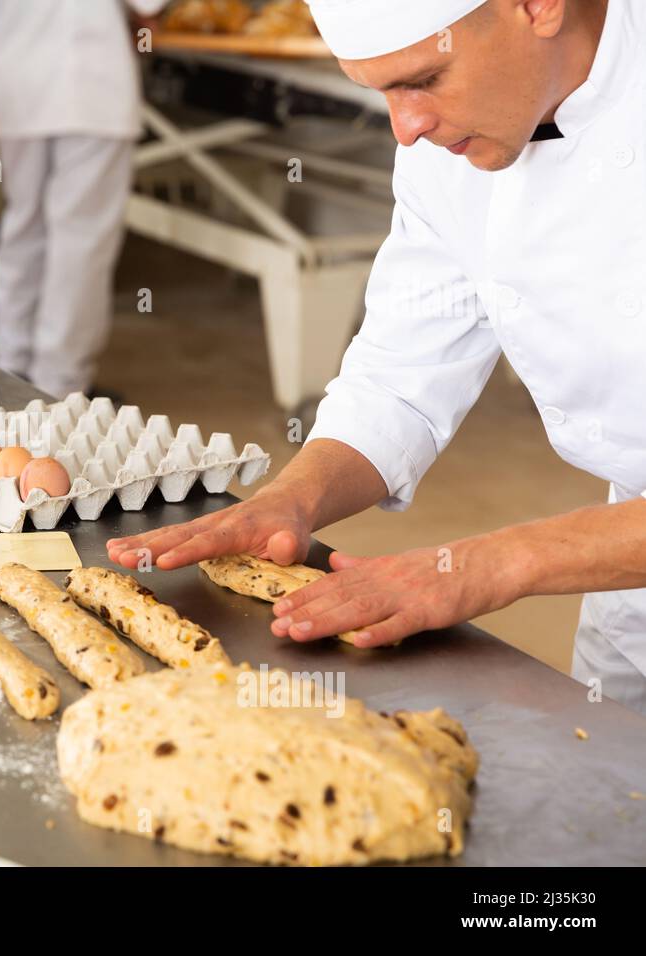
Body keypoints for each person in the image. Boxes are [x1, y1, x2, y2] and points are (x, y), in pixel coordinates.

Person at [108, 0, 646, 713]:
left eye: (423, 78)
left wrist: (486, 566)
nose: (407, 127)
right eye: (384, 92)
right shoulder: (444, 148)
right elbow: (401, 377)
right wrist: (289, 502)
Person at [0, 0, 166, 398]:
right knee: (81, 238)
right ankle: (58, 384)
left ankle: (10, 367)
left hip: (17, 77)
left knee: (23, 221)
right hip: (88, 83)